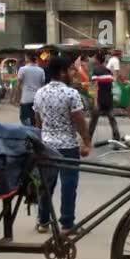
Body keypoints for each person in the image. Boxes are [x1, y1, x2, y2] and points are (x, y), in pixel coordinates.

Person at [33, 55, 92, 235]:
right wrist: (86, 141)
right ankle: (67, 222)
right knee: (69, 184)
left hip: (47, 146)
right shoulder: (71, 93)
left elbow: (38, 121)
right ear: (62, 72)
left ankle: (43, 221)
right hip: (67, 146)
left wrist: (46, 135)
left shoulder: (39, 93)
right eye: (71, 69)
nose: (74, 72)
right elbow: (79, 120)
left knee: (46, 184)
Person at [88, 52, 121, 142]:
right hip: (108, 99)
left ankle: (87, 140)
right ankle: (116, 139)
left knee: (93, 122)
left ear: (97, 60)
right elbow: (111, 83)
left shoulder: (96, 71)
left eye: (95, 58)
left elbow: (94, 87)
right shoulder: (108, 71)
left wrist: (94, 101)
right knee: (112, 119)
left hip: (99, 100)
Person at [16, 53, 45, 126]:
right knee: (36, 119)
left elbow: (18, 85)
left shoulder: (22, 69)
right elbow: (42, 85)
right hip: (38, 98)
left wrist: (17, 97)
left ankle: (29, 133)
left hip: (26, 98)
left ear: (27, 58)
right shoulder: (41, 70)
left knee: (24, 118)